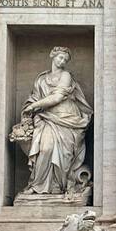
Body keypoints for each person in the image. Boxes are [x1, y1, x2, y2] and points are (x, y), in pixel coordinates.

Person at [19, 46, 91, 196]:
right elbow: (34, 97)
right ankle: (37, 185)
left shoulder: (66, 76)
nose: (62, 61)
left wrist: (34, 106)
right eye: (60, 57)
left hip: (66, 118)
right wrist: (31, 107)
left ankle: (58, 186)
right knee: (45, 149)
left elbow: (57, 97)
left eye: (65, 59)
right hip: (47, 118)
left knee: (63, 155)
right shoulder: (41, 79)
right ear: (52, 56)